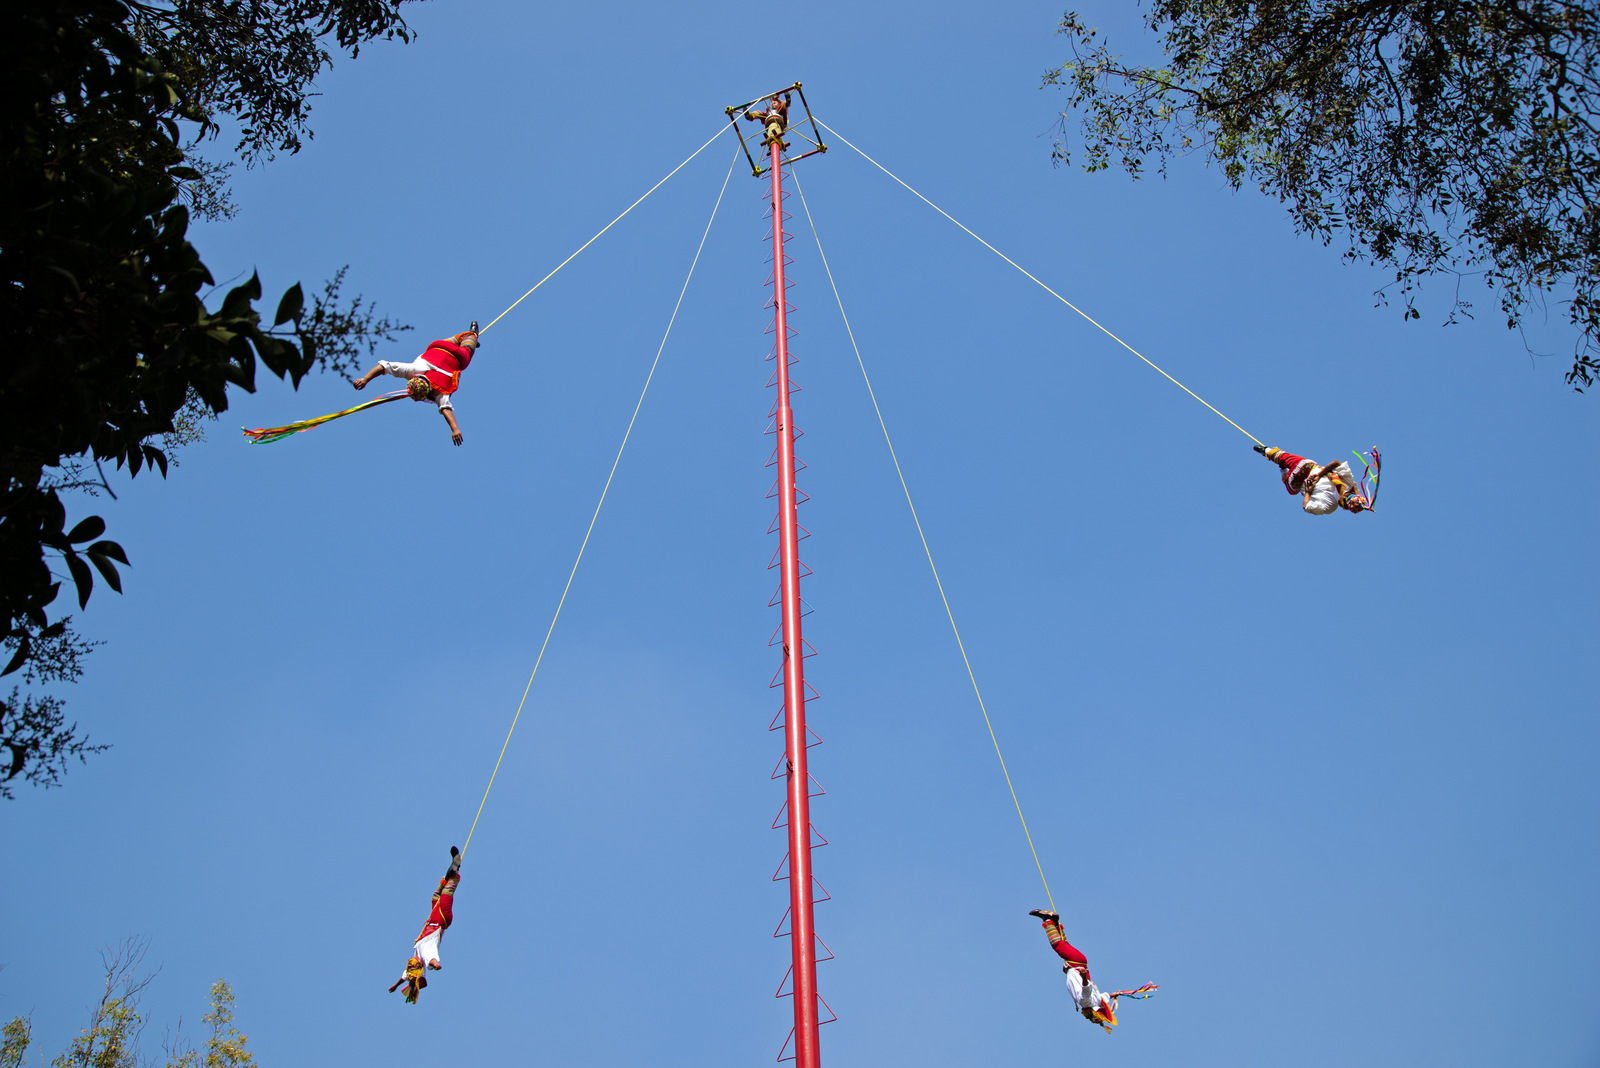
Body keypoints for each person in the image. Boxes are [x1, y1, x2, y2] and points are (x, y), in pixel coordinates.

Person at [1027, 908, 1156, 1032]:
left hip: (1079, 962)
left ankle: (1054, 921)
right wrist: (1083, 977)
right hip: (1077, 963)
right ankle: (1048, 919)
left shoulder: (1097, 1001)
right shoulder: (1085, 1002)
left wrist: (1115, 994)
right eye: (1089, 1016)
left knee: (1064, 944)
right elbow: (1086, 989)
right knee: (1058, 945)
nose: (1085, 1016)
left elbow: (1104, 997)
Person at [353, 323, 479, 446]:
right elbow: (384, 366)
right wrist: (365, 379)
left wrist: (455, 429)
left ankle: (472, 334)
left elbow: (446, 409)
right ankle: (465, 336)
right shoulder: (413, 371)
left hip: (457, 356)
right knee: (458, 341)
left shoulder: (439, 391)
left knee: (468, 347)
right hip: (440, 346)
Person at [389, 846, 461, 1005]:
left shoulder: (416, 953)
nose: (410, 964)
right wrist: (436, 965)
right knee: (448, 891)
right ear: (419, 969)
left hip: (432, 918)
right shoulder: (426, 955)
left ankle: (448, 875)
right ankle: (455, 870)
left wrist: (396, 985)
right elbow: (432, 961)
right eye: (413, 967)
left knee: (435, 896)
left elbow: (405, 975)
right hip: (440, 920)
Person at [1254, 445, 1371, 515]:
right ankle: (1281, 468)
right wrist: (1309, 491)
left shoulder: (1348, 484)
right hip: (1297, 481)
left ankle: (1268, 452)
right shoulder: (1331, 506)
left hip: (1307, 466)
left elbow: (1336, 463)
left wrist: (1319, 474)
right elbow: (1306, 506)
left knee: (1282, 457)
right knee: (1292, 491)